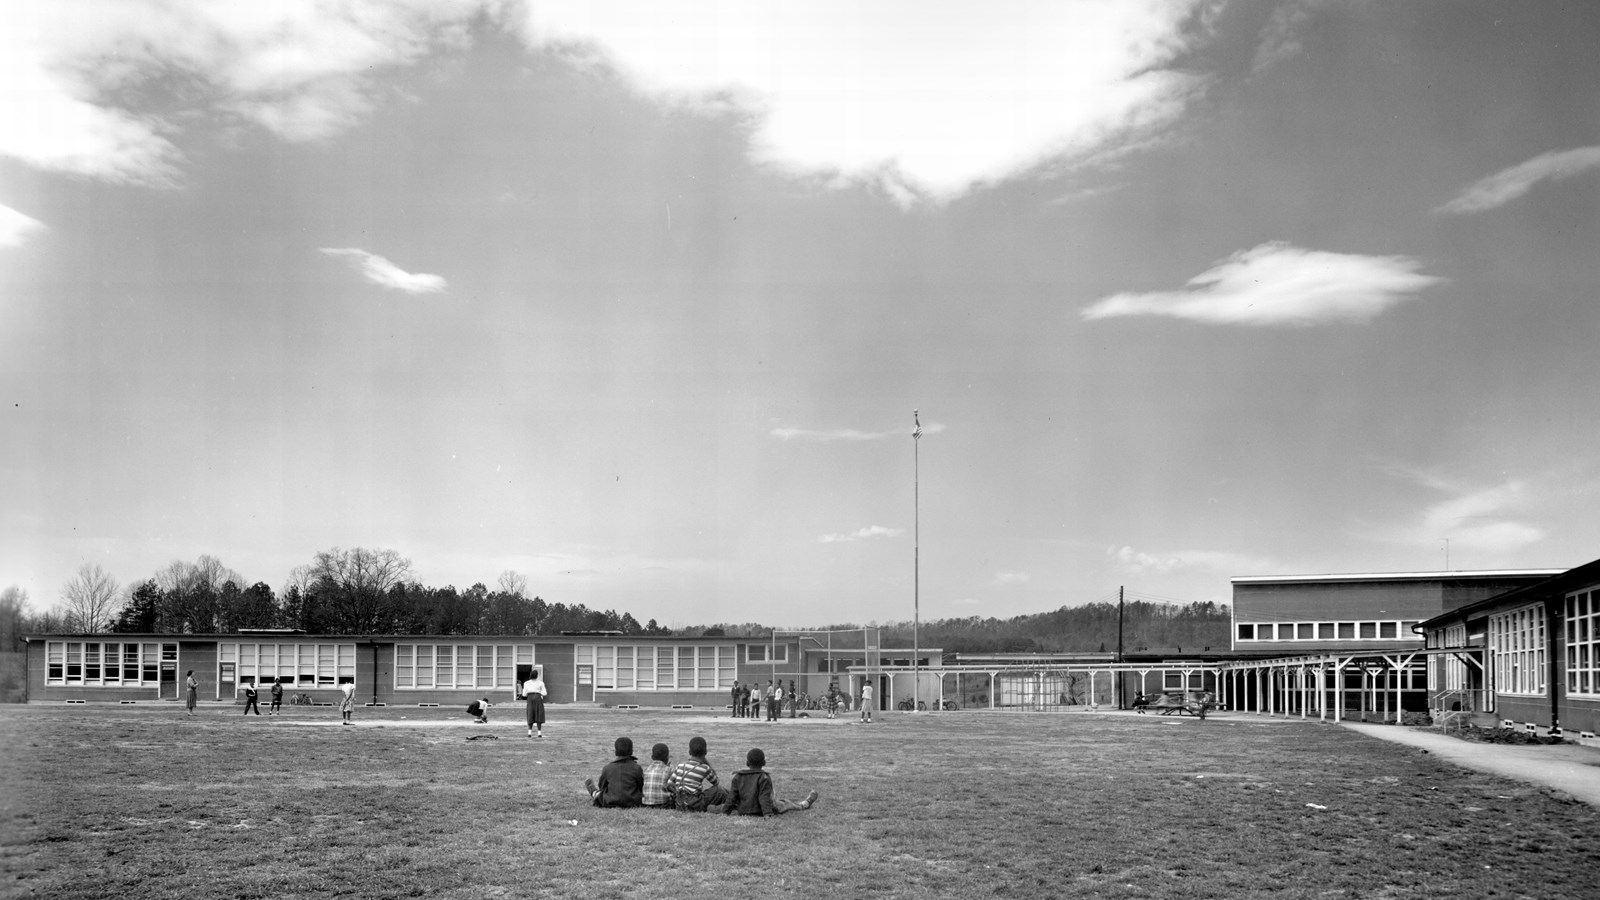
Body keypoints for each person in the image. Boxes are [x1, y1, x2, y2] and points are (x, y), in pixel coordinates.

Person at [723, 748, 817, 816]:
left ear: (747, 763)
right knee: (786, 803)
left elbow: (732, 797)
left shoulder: (738, 776)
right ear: (764, 763)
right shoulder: (764, 777)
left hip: (743, 810)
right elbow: (763, 797)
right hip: (760, 810)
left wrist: (725, 812)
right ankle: (804, 804)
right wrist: (767, 814)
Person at [666, 735, 730, 812]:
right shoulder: (704, 767)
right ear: (705, 752)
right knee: (719, 790)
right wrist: (707, 763)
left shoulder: (680, 765)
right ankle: (733, 804)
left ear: (689, 751)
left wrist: (678, 793)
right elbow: (716, 782)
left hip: (679, 804)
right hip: (694, 804)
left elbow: (669, 784)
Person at [584, 737, 644, 808]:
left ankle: (594, 792)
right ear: (631, 751)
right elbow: (641, 785)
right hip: (633, 802)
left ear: (615, 751)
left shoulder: (607, 768)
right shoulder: (637, 768)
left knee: (600, 795)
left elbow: (602, 786)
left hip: (610, 801)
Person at [642, 743, 675, 809]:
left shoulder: (647, 769)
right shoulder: (668, 770)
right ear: (667, 757)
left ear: (652, 756)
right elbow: (672, 786)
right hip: (663, 803)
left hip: (646, 803)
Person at [523, 669, 548, 738]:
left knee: (530, 713)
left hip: (530, 698)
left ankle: (529, 732)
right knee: (539, 714)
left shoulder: (526, 683)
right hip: (538, 697)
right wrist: (539, 692)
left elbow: (524, 694)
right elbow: (545, 693)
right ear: (537, 676)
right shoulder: (541, 683)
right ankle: (539, 733)